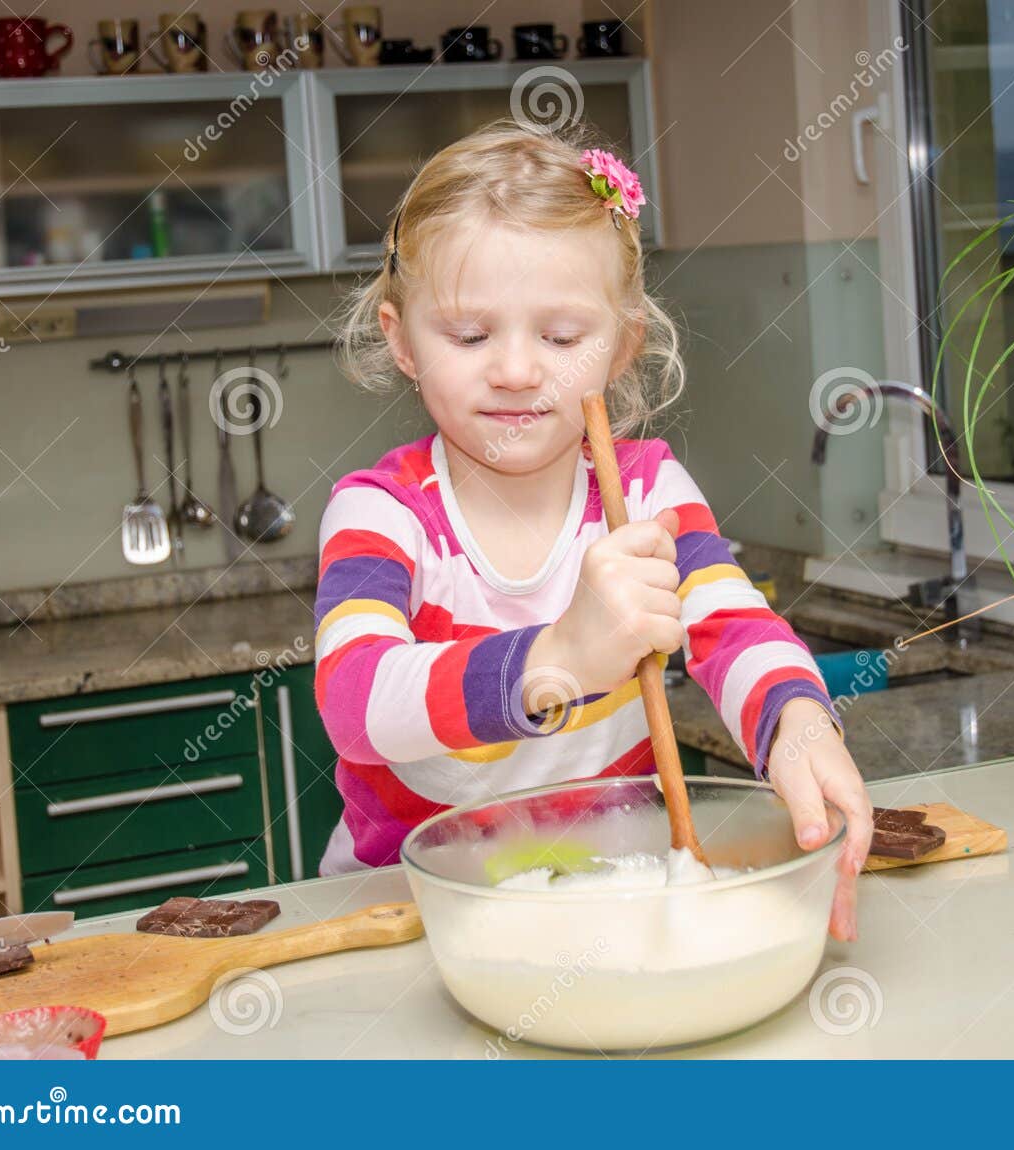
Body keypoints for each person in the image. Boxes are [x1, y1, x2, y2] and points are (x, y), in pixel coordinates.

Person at [315, 121, 873, 939]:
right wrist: (558, 658)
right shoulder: (385, 511)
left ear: (621, 346)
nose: (514, 369)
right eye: (469, 335)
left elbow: (734, 623)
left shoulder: (645, 490)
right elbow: (355, 703)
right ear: (401, 341)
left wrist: (798, 721)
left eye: (563, 336)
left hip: (610, 894)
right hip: (404, 915)